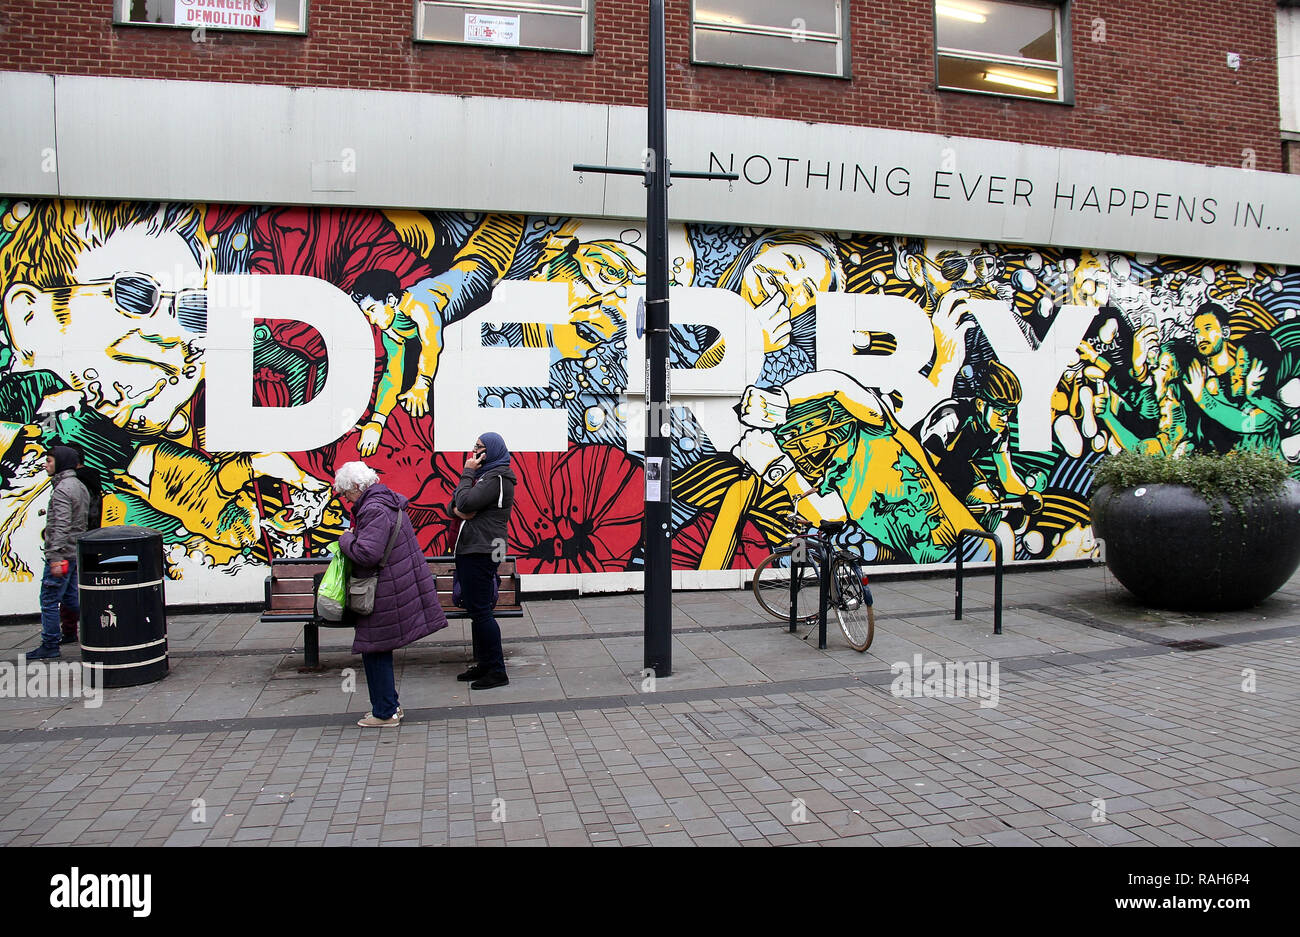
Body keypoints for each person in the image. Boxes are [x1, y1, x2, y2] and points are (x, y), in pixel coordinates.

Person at [334, 461, 448, 727]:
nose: (345, 499)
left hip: (384, 591)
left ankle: (384, 712)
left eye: (345, 493)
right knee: (377, 649)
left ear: (357, 487)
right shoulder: (388, 502)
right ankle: (390, 707)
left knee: (374, 650)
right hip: (394, 586)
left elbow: (367, 554)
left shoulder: (373, 510)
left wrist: (345, 539)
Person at [449, 432, 517, 689]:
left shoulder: (496, 478)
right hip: (471, 548)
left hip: (481, 549)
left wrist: (466, 475)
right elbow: (454, 506)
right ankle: (486, 664)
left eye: (480, 447)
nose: (474, 452)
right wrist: (461, 508)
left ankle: (497, 671)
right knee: (477, 611)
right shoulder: (485, 477)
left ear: (493, 450)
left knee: (481, 611)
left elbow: (464, 501)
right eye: (475, 446)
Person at [27, 445, 89, 660]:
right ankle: (98, 626)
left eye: (50, 461)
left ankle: (50, 643)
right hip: (73, 553)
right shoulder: (79, 486)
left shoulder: (62, 489)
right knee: (72, 599)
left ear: (61, 463)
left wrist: (54, 556)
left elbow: (61, 525)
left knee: (49, 599)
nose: (45, 464)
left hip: (61, 555)